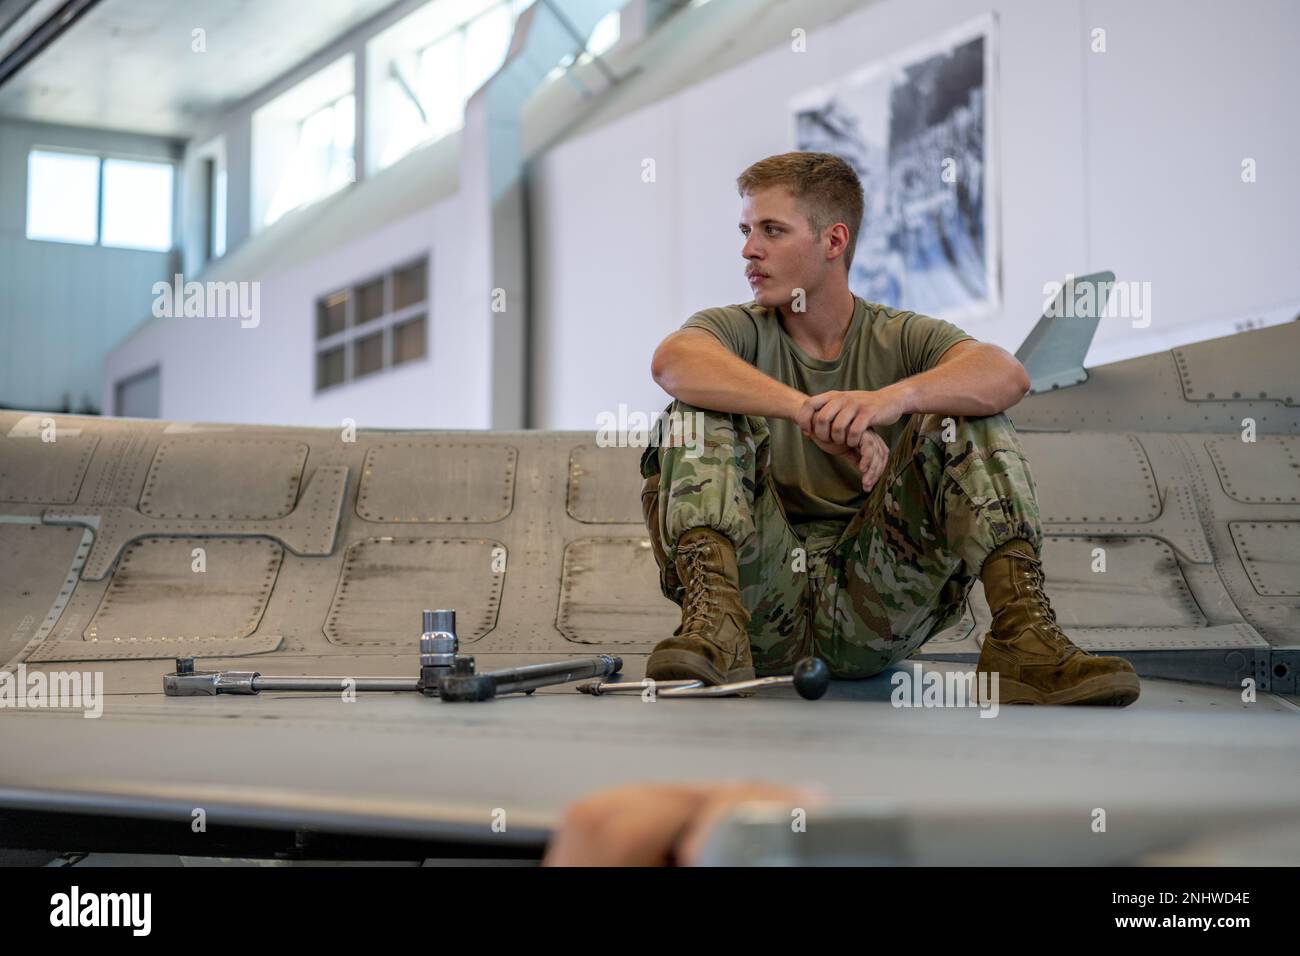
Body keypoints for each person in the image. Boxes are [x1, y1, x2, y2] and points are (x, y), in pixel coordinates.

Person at [639, 151, 1139, 707]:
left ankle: (1025, 642)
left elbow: (1006, 375)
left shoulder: (900, 336)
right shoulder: (737, 330)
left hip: (874, 600)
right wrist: (810, 411)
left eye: (772, 231)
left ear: (834, 241)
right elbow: (673, 361)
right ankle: (713, 623)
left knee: (966, 416)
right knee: (694, 413)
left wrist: (888, 401)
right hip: (758, 608)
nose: (749, 250)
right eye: (747, 231)